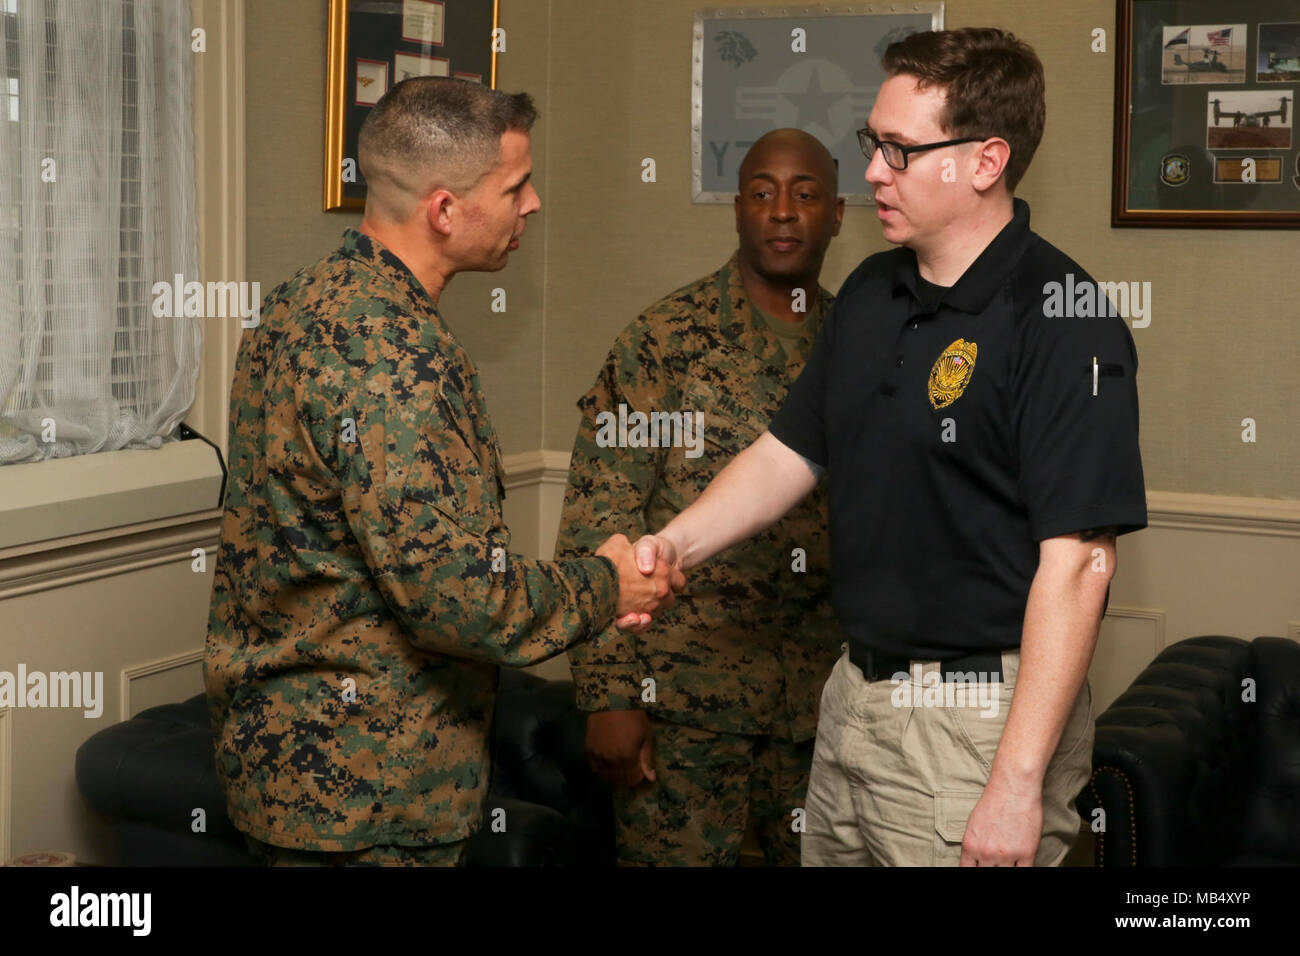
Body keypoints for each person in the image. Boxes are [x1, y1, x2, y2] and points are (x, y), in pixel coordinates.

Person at [631, 28, 1147, 866]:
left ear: (986, 161)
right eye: (874, 143)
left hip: (978, 726)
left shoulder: (1065, 318)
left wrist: (1016, 784)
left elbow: (1082, 563)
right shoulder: (872, 290)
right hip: (853, 697)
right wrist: (673, 544)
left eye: (900, 151)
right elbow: (788, 454)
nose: (872, 171)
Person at [204, 77, 681, 867]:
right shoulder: (397, 356)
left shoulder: (293, 304)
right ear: (444, 211)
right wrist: (609, 585)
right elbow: (459, 597)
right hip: (366, 792)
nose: (533, 205)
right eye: (516, 186)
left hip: (284, 769)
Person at [555, 130, 845, 866]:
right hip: (681, 704)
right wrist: (609, 692)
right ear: (739, 210)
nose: (783, 212)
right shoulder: (663, 342)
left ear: (838, 214)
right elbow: (601, 514)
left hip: (820, 709)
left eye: (805, 195)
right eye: (762, 193)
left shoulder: (860, 342)